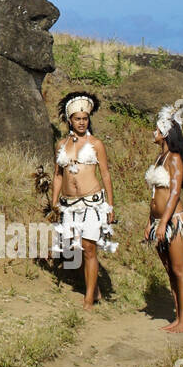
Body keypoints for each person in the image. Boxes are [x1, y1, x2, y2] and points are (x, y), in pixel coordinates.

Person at [51, 91, 117, 309]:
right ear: (70, 120)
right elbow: (58, 175)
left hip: (92, 202)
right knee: (72, 247)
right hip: (69, 204)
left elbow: (105, 174)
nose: (81, 122)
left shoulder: (96, 144)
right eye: (78, 118)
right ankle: (94, 288)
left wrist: (110, 205)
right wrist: (54, 201)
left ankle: (89, 297)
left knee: (89, 248)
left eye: (85, 118)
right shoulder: (61, 145)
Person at [143, 103, 183, 332]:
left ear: (165, 132)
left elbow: (175, 192)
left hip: (174, 221)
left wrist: (164, 222)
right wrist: (150, 223)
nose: (153, 133)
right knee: (169, 270)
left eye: (156, 129)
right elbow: (155, 194)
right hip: (159, 222)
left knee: (179, 269)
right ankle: (177, 317)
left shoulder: (174, 158)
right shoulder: (160, 159)